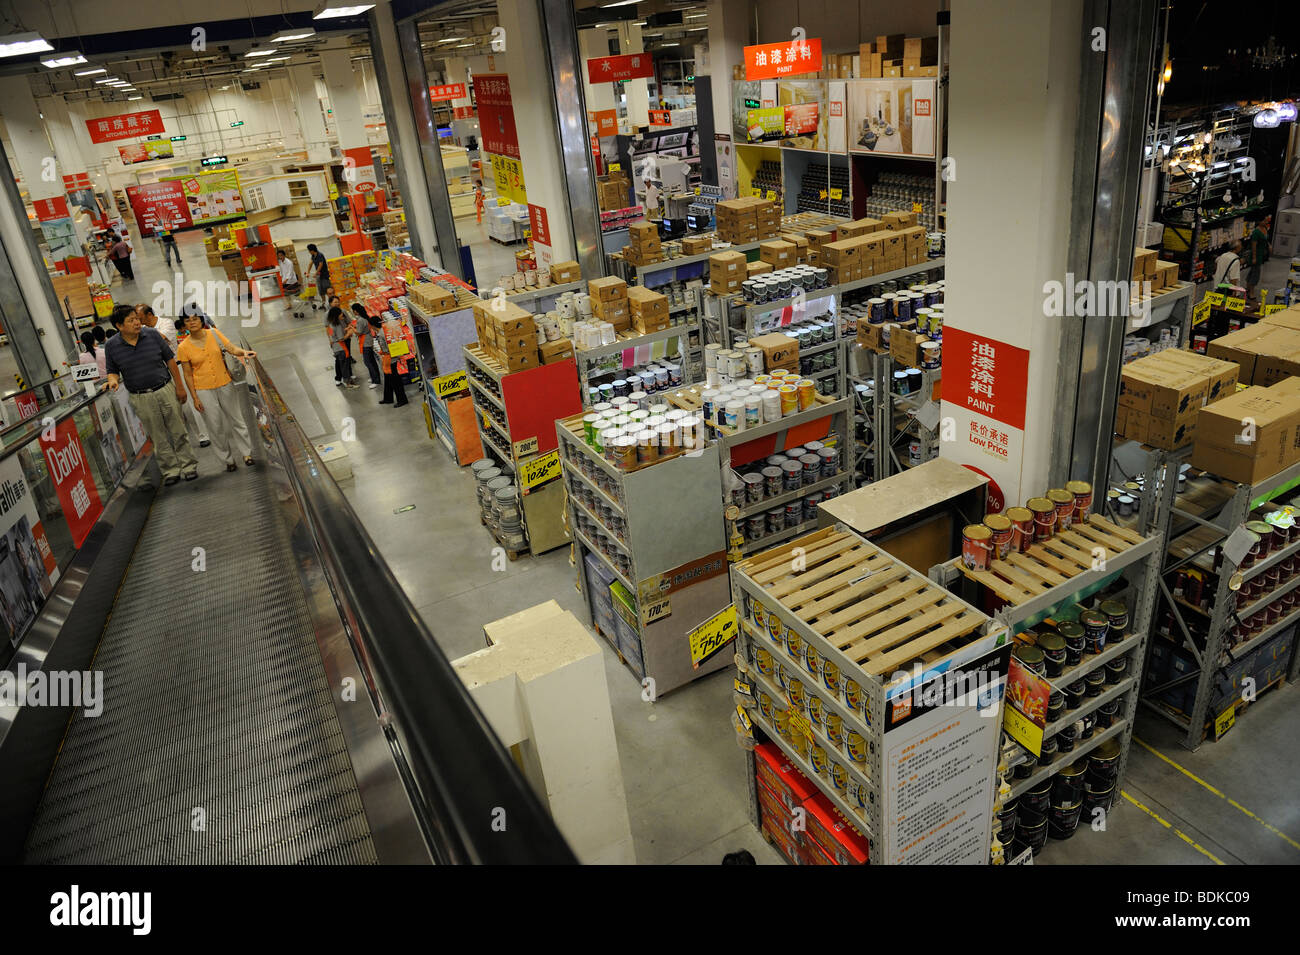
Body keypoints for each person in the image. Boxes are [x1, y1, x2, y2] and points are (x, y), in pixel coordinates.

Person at [103, 303, 197, 485]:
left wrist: (179, 386)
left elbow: (170, 359)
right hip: (140, 397)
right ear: (119, 326)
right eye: (131, 321)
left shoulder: (152, 334)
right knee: (157, 435)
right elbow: (112, 370)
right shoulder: (112, 346)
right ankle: (170, 470)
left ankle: (189, 466)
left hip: (164, 388)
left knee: (178, 430)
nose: (137, 323)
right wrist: (112, 380)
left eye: (137, 319)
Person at [175, 312, 257, 472]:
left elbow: (231, 348)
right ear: (184, 325)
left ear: (201, 320)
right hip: (203, 389)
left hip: (225, 382)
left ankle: (247, 454)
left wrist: (244, 353)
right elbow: (187, 374)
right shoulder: (183, 347)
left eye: (195, 319)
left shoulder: (214, 334)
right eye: (188, 320)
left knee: (237, 419)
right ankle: (228, 460)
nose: (192, 322)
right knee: (215, 426)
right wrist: (194, 397)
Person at [139, 303, 211, 448]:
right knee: (181, 407)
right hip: (161, 373)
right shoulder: (143, 330)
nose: (137, 322)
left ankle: (205, 434)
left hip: (178, 367)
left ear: (149, 315)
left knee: (191, 402)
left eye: (139, 318)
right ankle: (198, 434)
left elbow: (159, 340)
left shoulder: (166, 323)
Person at [376, 313, 409, 407]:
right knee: (389, 380)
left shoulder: (382, 334)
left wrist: (383, 352)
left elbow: (386, 349)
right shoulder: (387, 330)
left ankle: (402, 399)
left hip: (391, 360)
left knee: (395, 381)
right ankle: (388, 398)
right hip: (388, 360)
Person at [351, 303, 381, 388]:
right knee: (371, 360)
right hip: (368, 340)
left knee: (368, 361)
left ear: (355, 311)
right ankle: (374, 377)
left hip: (365, 342)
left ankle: (376, 380)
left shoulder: (360, 320)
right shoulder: (364, 317)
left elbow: (358, 332)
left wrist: (352, 328)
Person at [326, 306, 358, 387]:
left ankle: (348, 381)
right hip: (341, 348)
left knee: (342, 364)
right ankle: (348, 383)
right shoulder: (338, 325)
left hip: (336, 348)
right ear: (336, 315)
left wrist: (346, 329)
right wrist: (349, 333)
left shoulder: (331, 324)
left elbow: (334, 334)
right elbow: (341, 339)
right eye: (340, 313)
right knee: (345, 365)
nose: (342, 315)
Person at [1245, 216, 1272, 303]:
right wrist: (1254, 257)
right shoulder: (1256, 232)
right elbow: (1254, 245)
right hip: (1256, 255)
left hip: (1261, 255)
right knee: (1255, 274)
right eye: (1264, 220)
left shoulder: (1264, 228)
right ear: (1259, 221)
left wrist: (1269, 245)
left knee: (1252, 272)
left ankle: (1247, 288)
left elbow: (1265, 240)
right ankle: (1251, 294)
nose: (1265, 222)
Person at [306, 243, 330, 311]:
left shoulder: (320, 255)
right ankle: (324, 304)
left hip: (324, 275)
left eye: (309, 251)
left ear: (312, 250)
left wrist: (316, 273)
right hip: (318, 276)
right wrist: (308, 272)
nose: (309, 252)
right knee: (321, 291)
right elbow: (310, 263)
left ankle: (330, 303)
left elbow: (320, 265)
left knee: (327, 289)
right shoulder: (313, 256)